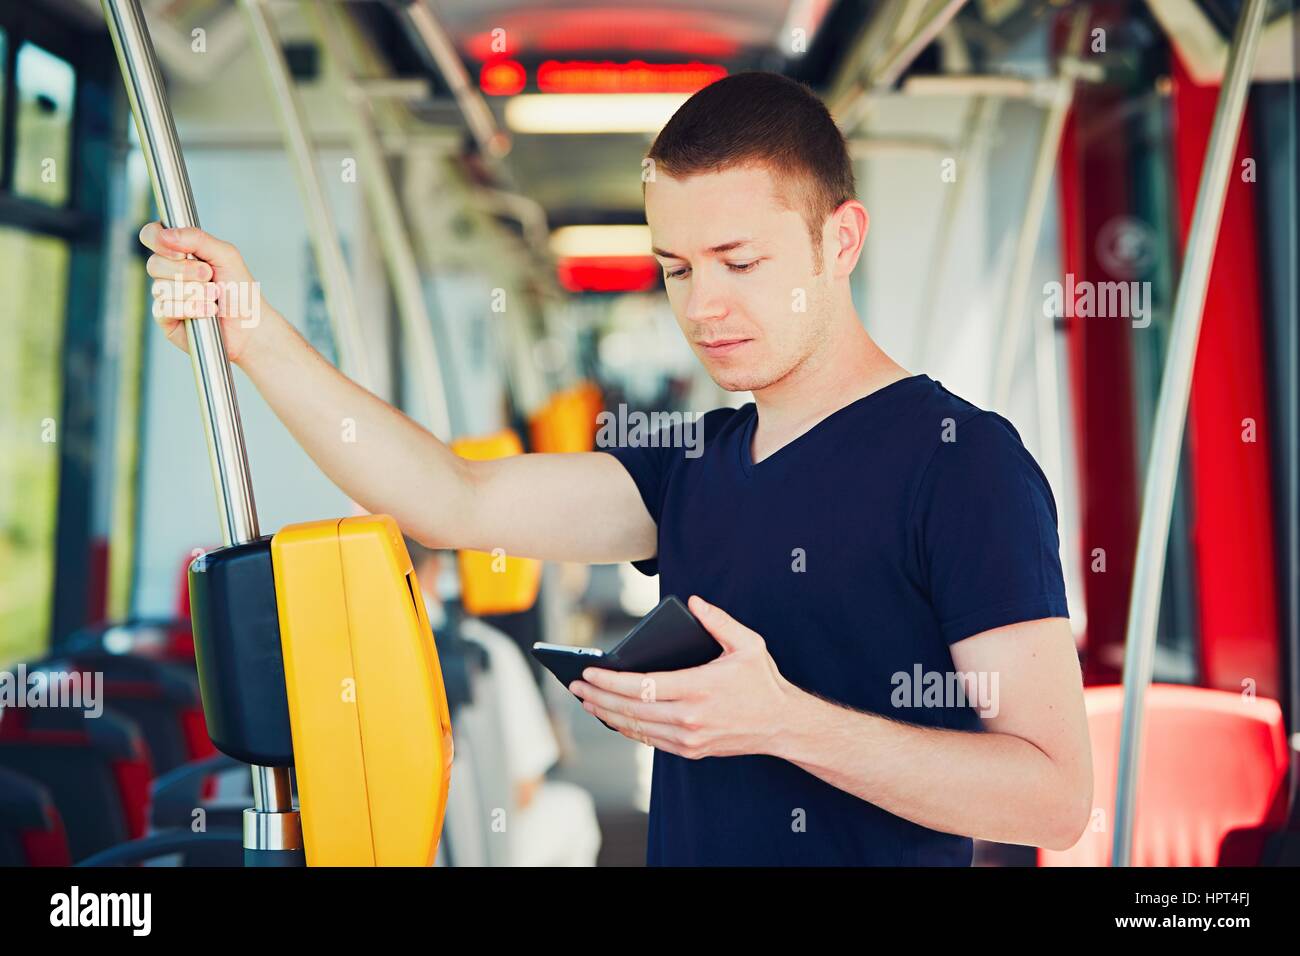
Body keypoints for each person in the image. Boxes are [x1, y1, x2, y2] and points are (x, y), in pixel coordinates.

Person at [140, 70, 1091, 866]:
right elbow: (452, 497)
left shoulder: (962, 465)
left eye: (739, 261)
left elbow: (1053, 797)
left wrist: (780, 721)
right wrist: (252, 334)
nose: (704, 305)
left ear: (839, 240)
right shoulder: (690, 464)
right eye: (677, 269)